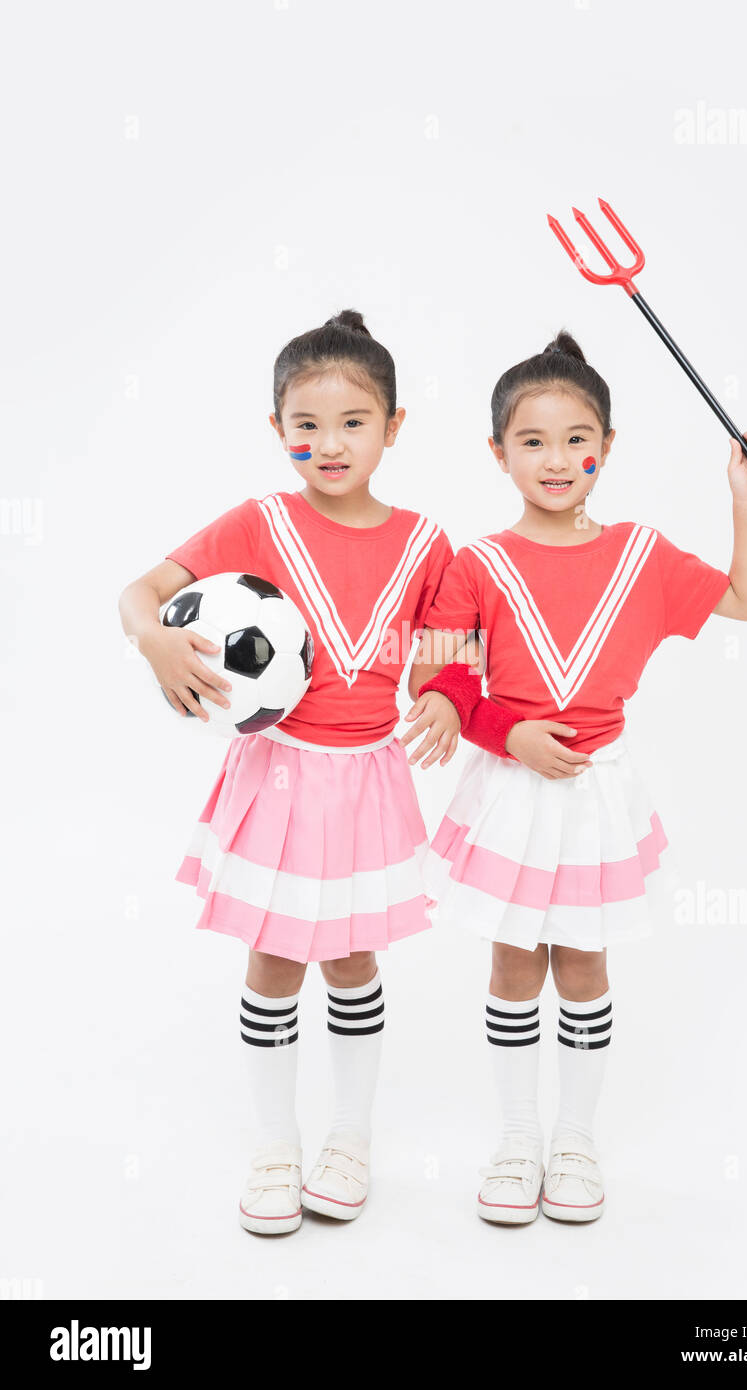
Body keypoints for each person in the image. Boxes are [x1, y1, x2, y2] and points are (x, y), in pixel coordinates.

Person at [401, 330, 747, 1224]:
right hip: (510, 787)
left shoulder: (641, 553)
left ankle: (575, 1136)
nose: (557, 458)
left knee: (581, 959)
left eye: (578, 438)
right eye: (531, 441)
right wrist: (499, 726)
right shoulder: (476, 563)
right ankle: (518, 1134)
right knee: (513, 957)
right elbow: (437, 674)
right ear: (498, 454)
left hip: (595, 794)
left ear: (607, 447)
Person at [119, 310, 453, 1234]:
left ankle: (350, 1137)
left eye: (353, 422)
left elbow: (451, 648)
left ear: (393, 427)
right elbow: (138, 592)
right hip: (277, 772)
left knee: (352, 954)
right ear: (276, 431)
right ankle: (275, 1144)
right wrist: (154, 643)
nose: (328, 443)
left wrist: (449, 696)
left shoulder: (428, 543)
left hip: (368, 776)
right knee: (273, 958)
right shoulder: (258, 523)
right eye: (304, 424)